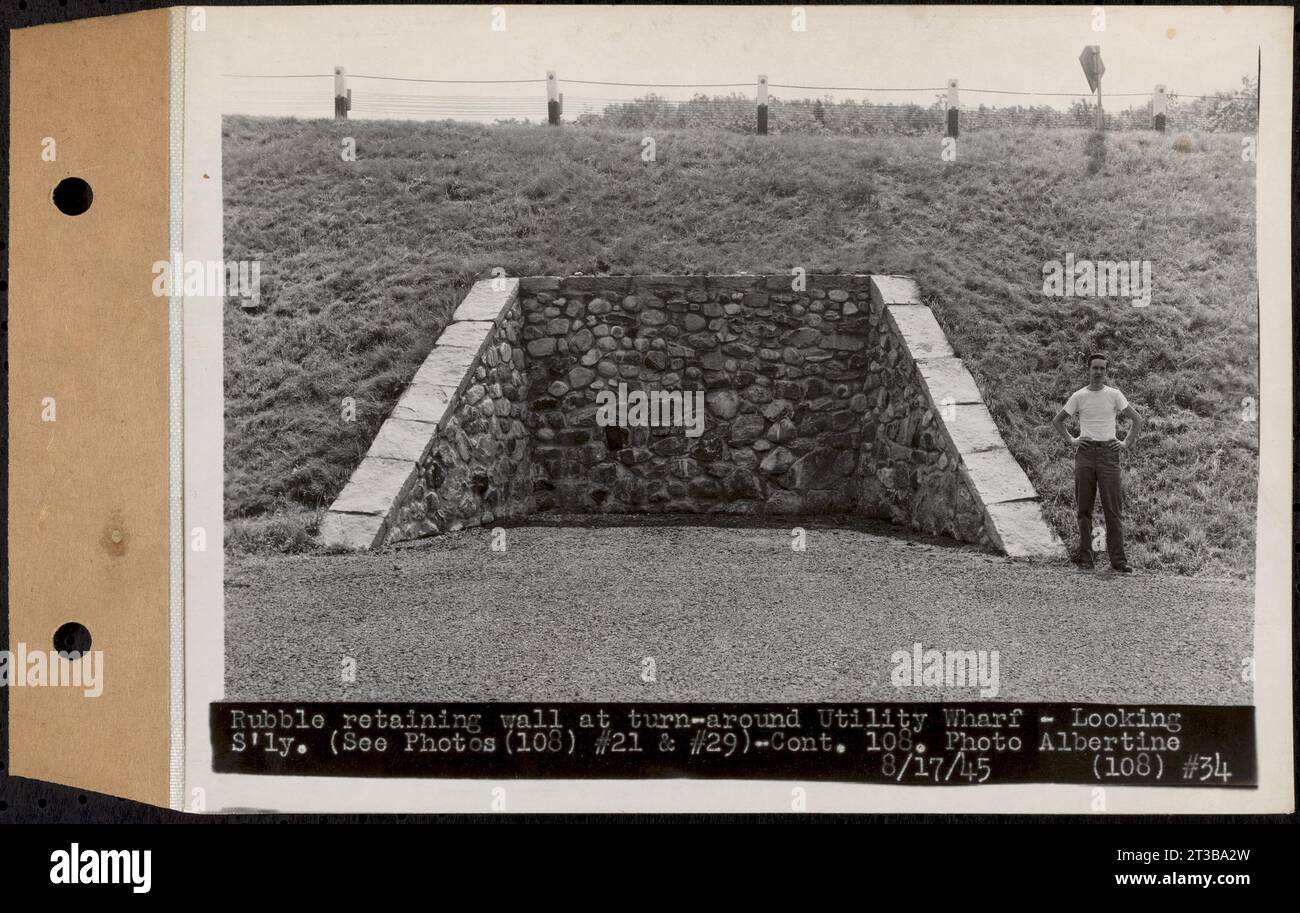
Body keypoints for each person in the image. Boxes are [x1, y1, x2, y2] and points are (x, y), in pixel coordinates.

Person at [1050, 353, 1144, 573]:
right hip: (1085, 454)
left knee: (1113, 508)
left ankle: (1118, 561)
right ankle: (1086, 559)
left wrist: (1125, 443)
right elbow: (1057, 420)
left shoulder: (1114, 395)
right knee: (1084, 509)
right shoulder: (1079, 396)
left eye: (1102, 368)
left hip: (1109, 455)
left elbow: (1136, 419)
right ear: (1088, 369)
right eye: (1095, 368)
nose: (1099, 372)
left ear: (1106, 371)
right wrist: (1072, 440)